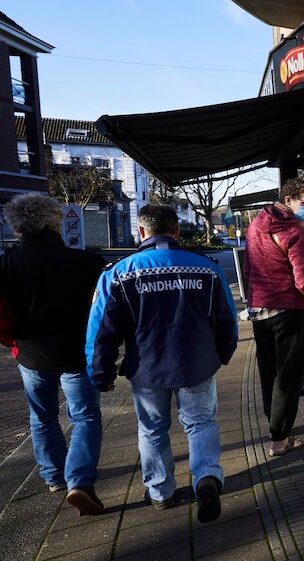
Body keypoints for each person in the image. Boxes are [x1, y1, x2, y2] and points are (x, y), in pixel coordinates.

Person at [86, 205, 237, 523]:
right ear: (177, 231)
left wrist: (101, 372)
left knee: (152, 429)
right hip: (197, 362)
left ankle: (160, 492)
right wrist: (223, 352)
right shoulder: (206, 268)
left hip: (148, 367)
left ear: (141, 232)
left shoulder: (118, 273)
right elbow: (227, 318)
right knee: (201, 422)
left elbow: (101, 330)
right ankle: (206, 478)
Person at [0, 193, 107, 515]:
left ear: (16, 226)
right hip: (78, 352)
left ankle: (54, 476)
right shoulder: (87, 262)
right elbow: (107, 309)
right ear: (56, 221)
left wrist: (14, 342)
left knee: (42, 416)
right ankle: (79, 480)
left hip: (32, 355)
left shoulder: (3, 265)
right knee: (85, 416)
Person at [245, 178, 304, 457]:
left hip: (260, 309)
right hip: (290, 309)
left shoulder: (255, 226)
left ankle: (274, 426)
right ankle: (279, 439)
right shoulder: (295, 232)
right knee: (289, 375)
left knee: (270, 371)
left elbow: (248, 269)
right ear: (288, 201)